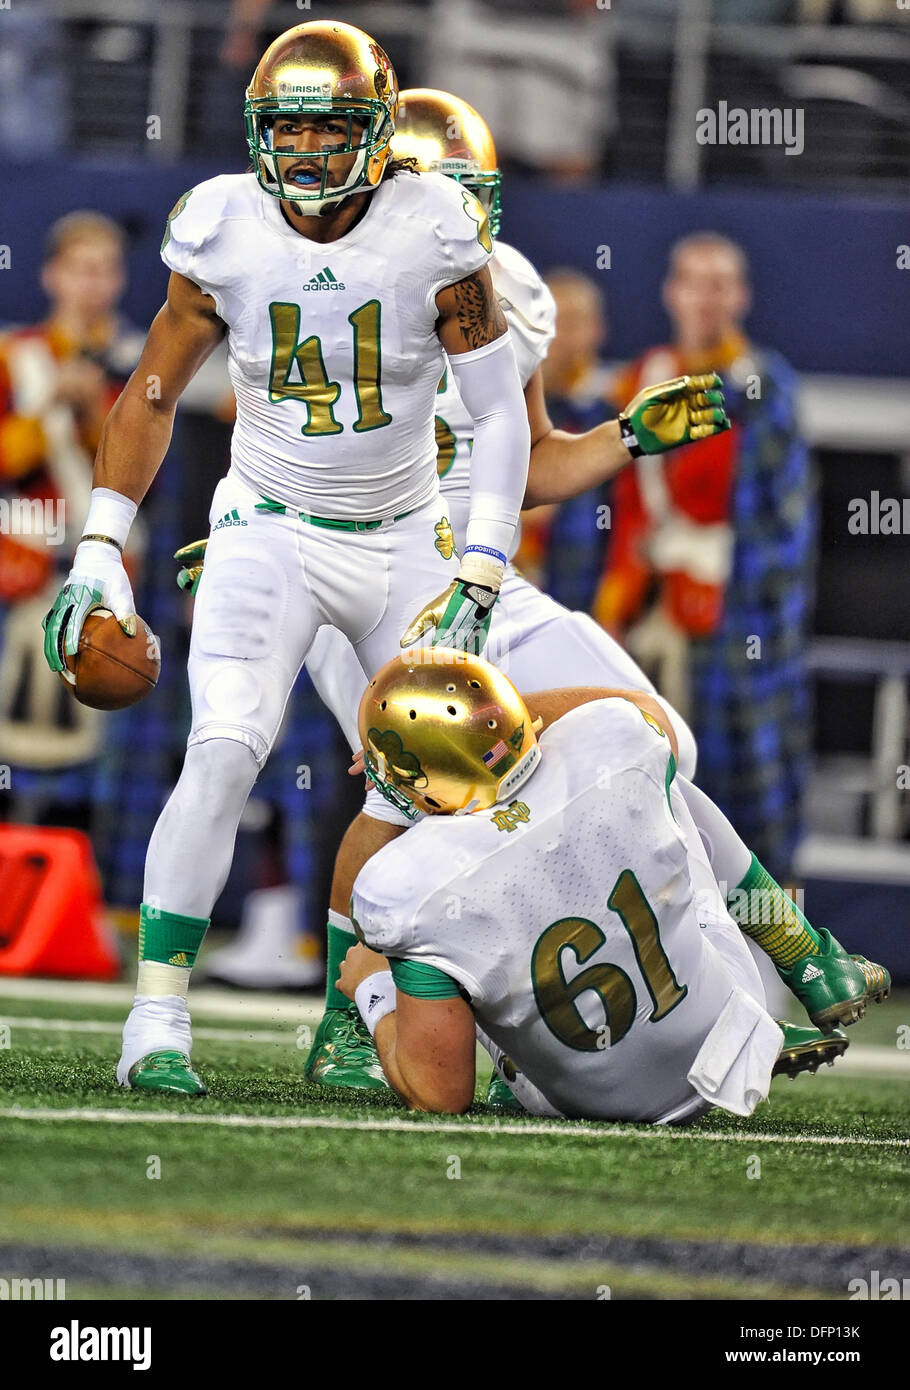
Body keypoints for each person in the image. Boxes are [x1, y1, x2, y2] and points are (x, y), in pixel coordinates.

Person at [178, 91, 886, 1101]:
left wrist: (631, 436)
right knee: (405, 797)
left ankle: (786, 946)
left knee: (654, 744)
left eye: (475, 198)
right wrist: (249, 537)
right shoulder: (315, 277)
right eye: (442, 195)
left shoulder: (499, 290)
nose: (462, 222)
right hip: (370, 572)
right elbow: (274, 445)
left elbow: (539, 458)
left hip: (482, 577)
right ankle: (350, 1011)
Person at [40, 20, 537, 1097]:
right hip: (266, 527)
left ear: (377, 131)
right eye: (288, 127)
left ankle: (360, 1014)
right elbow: (154, 396)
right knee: (223, 747)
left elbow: (501, 418)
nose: (306, 151)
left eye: (330, 126)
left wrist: (481, 566)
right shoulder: (220, 225)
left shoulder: (437, 231)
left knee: (439, 791)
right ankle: (156, 1019)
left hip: (407, 537)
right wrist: (94, 550)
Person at [337, 650, 857, 1120]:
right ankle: (809, 959)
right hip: (721, 1027)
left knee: (457, 952)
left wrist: (372, 990)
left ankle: (509, 1076)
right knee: (673, 792)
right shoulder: (612, 741)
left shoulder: (404, 884)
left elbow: (440, 1096)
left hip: (581, 1099)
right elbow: (641, 708)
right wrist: (490, 719)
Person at [594, 231, 814, 880]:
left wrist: (761, 622)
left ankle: (778, 954)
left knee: (752, 792)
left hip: (735, 617)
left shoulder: (765, 389)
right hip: (646, 612)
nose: (706, 298)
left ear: (741, 296)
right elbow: (614, 502)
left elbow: (785, 522)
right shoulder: (644, 380)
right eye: (694, 281)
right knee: (646, 789)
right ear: (671, 292)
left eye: (720, 283)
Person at [0, 212, 145, 831]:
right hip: (24, 570)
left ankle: (79, 888)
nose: (93, 284)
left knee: (101, 751)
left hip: (109, 576)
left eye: (106, 270)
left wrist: (94, 419)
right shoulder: (18, 355)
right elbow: (7, 458)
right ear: (52, 276)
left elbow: (150, 473)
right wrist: (50, 406)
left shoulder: (137, 360)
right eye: (81, 269)